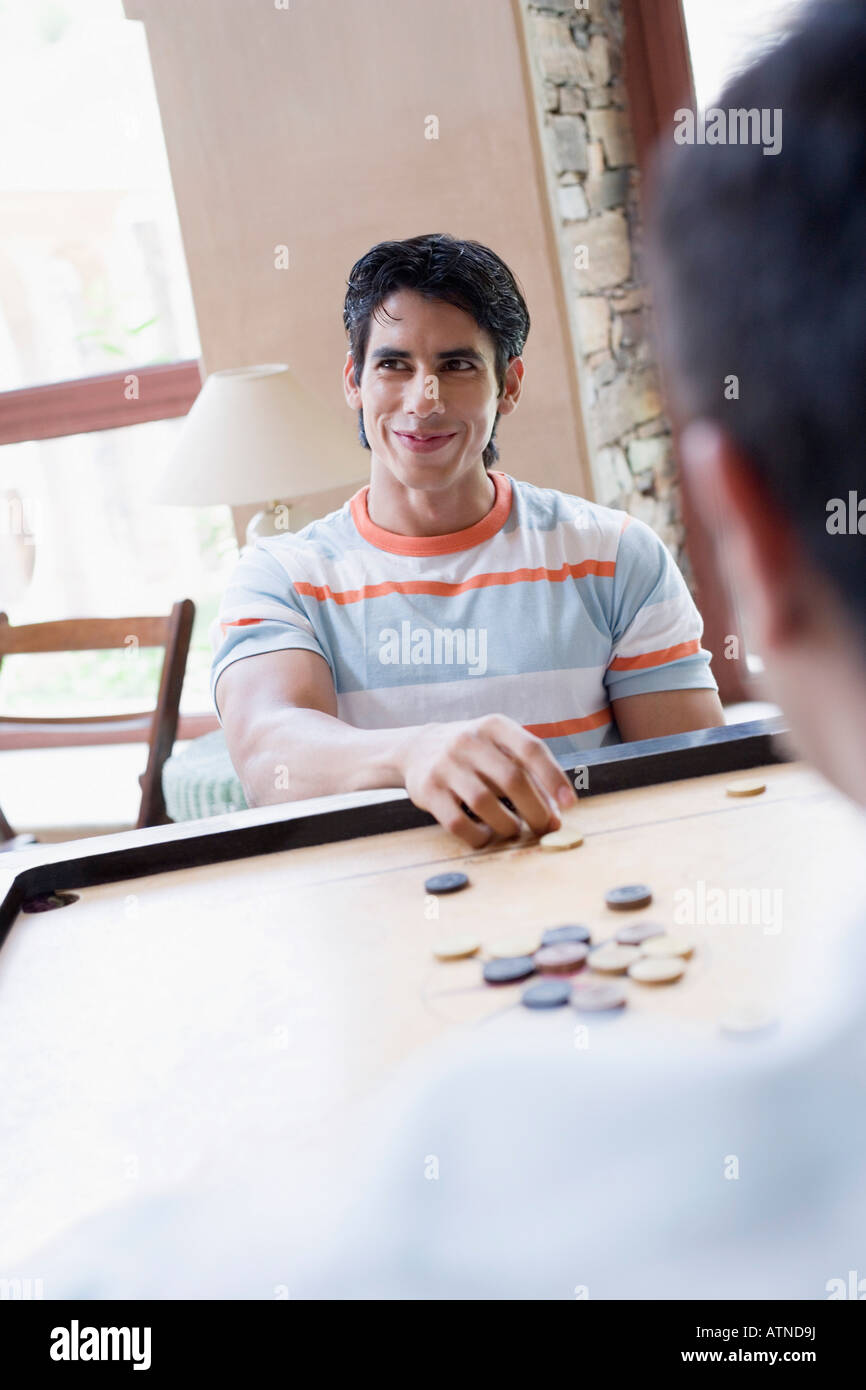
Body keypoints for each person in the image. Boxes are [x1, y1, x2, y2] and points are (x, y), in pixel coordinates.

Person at [212, 234, 723, 850]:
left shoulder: (616, 556)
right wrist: (414, 753)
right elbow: (269, 754)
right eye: (393, 364)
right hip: (374, 922)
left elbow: (693, 788)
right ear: (355, 380)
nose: (422, 400)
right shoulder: (280, 576)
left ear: (508, 385)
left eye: (457, 365)